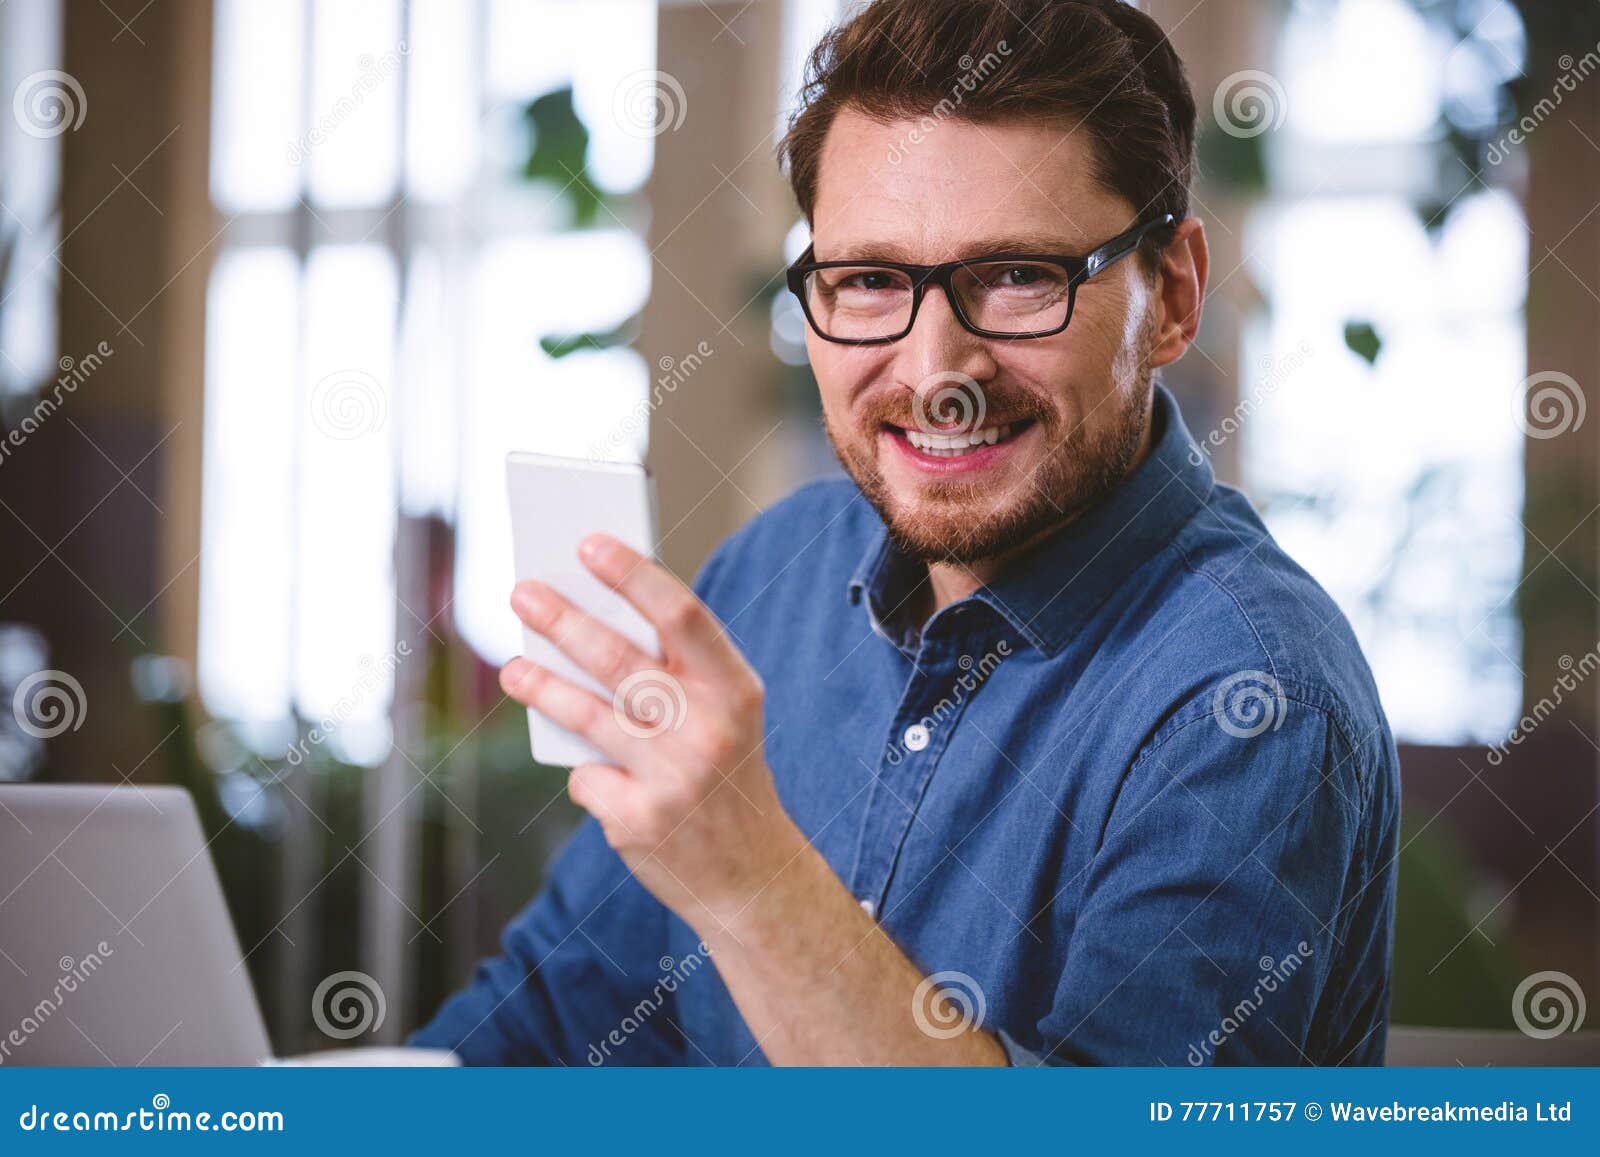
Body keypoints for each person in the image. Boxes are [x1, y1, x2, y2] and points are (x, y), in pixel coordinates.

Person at [414, 0, 1399, 1066]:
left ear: (1171, 294)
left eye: (1018, 276)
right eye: (871, 282)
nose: (936, 375)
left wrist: (753, 881)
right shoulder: (773, 570)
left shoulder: (1249, 699)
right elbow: (549, 1021)